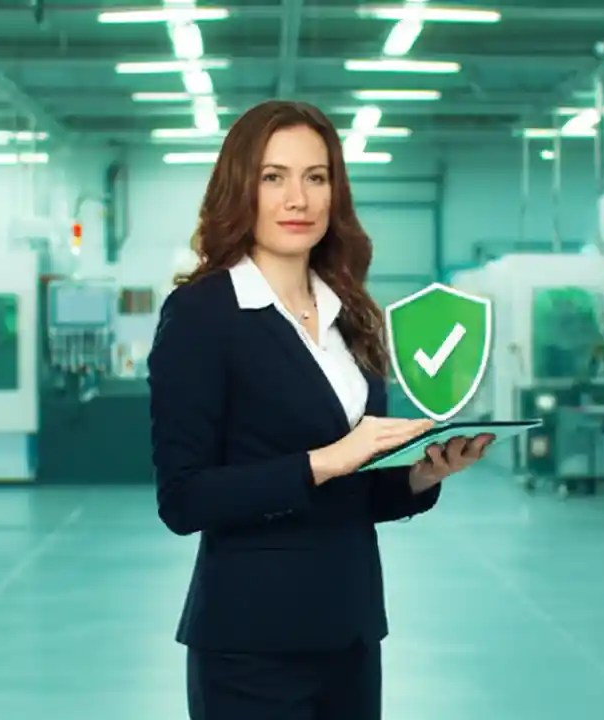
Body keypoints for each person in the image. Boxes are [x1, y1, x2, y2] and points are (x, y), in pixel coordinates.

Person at [147, 100, 494, 720]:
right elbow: (184, 498)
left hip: (352, 633)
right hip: (251, 645)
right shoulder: (203, 315)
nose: (297, 199)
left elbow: (354, 490)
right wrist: (325, 460)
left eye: (316, 176)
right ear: (240, 189)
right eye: (273, 177)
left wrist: (422, 473)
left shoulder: (350, 313)